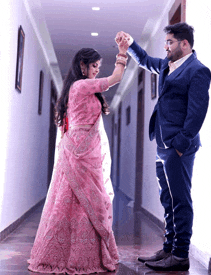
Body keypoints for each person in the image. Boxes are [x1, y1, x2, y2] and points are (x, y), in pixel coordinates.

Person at [115, 22, 211, 271]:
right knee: (167, 200)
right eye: (166, 42)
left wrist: (179, 145)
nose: (166, 46)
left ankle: (180, 255)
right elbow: (146, 60)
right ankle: (169, 248)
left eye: (169, 42)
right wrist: (131, 44)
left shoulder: (198, 71)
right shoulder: (169, 66)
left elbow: (197, 113)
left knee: (180, 201)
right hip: (162, 146)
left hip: (178, 148)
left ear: (185, 44)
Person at [28, 43, 128, 274]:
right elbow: (115, 78)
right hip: (80, 151)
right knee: (80, 203)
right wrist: (122, 51)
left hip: (82, 150)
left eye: (98, 67)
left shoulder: (77, 87)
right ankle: (74, 258)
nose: (96, 71)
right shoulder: (81, 85)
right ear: (82, 66)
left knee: (79, 202)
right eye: (94, 66)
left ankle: (79, 255)